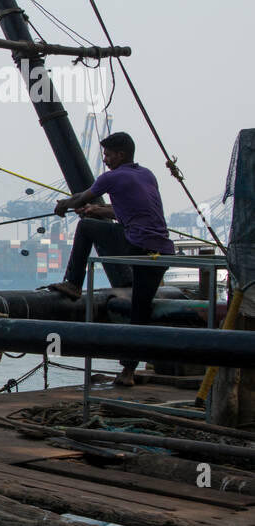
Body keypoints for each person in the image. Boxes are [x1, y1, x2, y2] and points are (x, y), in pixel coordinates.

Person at [42, 131, 175, 387]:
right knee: (140, 307)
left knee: (87, 227)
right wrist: (98, 209)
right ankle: (128, 373)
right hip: (161, 251)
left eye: (108, 154)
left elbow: (80, 198)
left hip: (137, 245)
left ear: (121, 155)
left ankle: (73, 283)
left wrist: (64, 205)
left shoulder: (111, 177)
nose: (105, 159)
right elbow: (127, 211)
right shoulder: (146, 174)